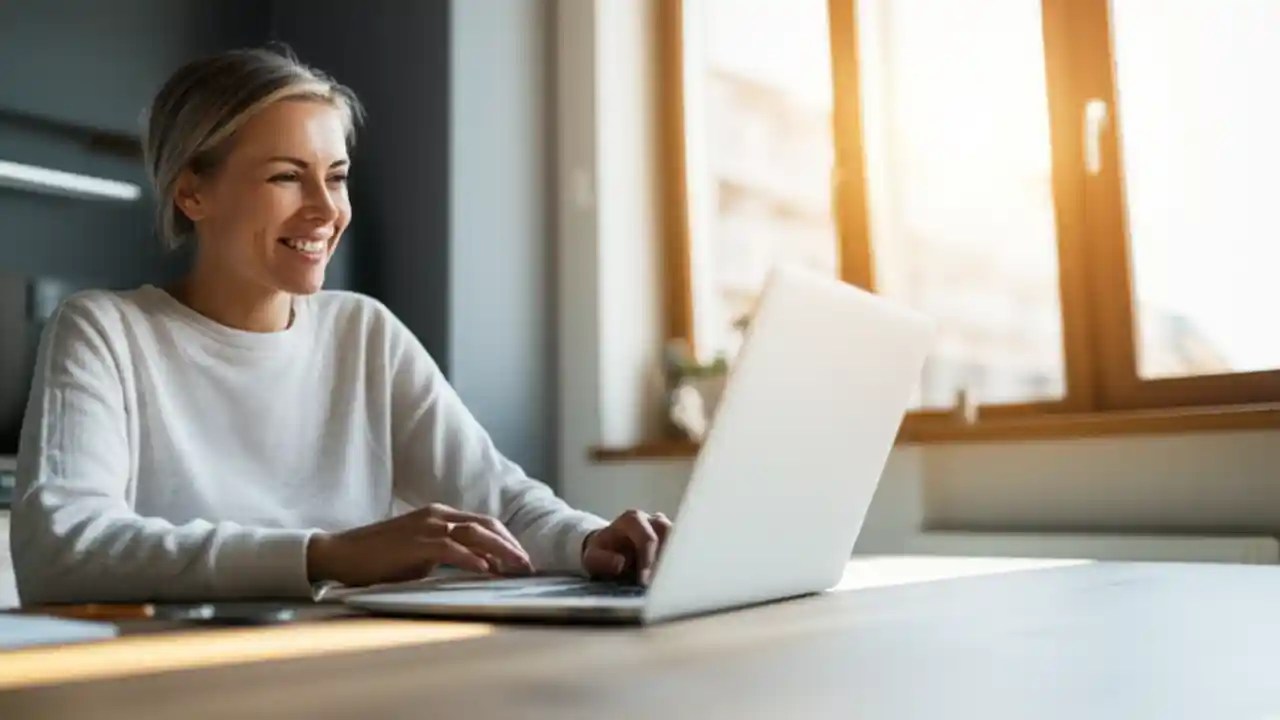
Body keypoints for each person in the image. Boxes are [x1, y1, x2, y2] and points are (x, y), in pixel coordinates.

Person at [10, 47, 669, 605]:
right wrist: (327, 554)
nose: (326, 209)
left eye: (336, 177)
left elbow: (503, 502)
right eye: (286, 177)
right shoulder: (105, 329)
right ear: (193, 193)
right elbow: (63, 549)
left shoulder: (362, 332)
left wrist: (592, 540)